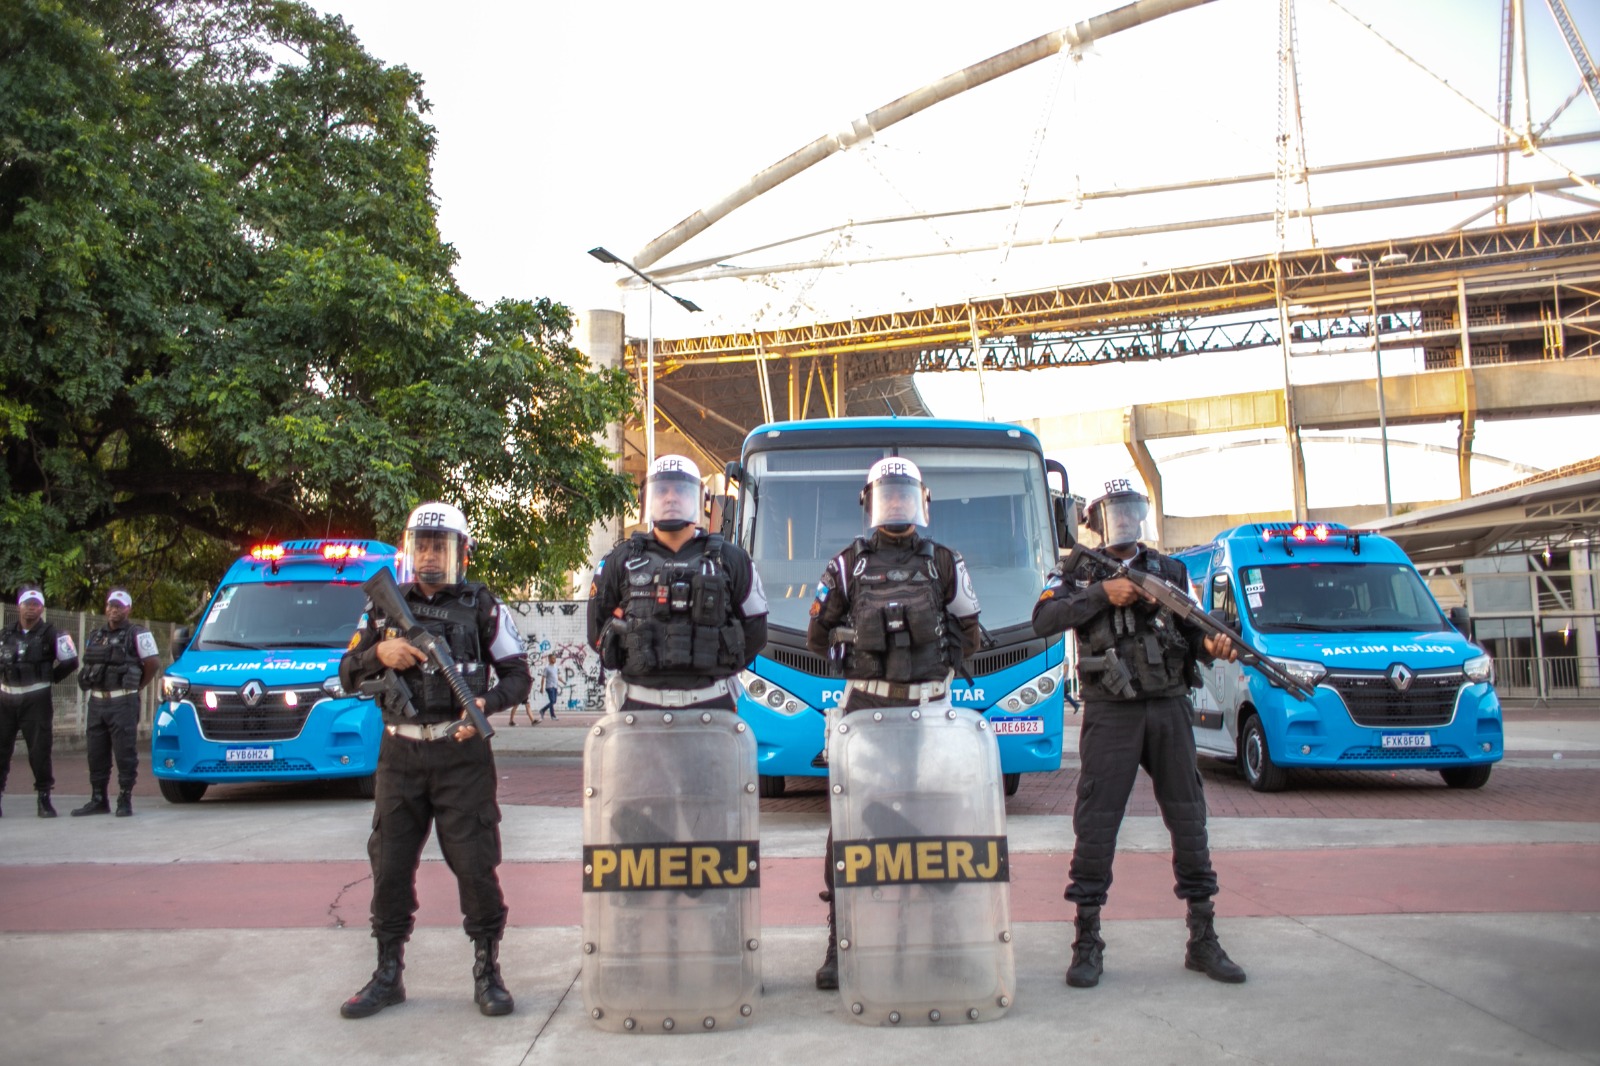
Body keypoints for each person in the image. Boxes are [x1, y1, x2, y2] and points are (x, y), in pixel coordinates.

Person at [1031, 480, 1246, 988]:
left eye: (1133, 511)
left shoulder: (1169, 572)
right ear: (1097, 520)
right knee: (1097, 824)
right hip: (1111, 711)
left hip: (1169, 706)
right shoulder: (1076, 570)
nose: (1125, 522)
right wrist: (1102, 593)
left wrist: (1216, 645)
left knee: (1189, 819)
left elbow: (1195, 633)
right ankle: (1087, 940)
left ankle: (1203, 936)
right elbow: (1044, 617)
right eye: (1116, 513)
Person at [337, 502, 531, 1020]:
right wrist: (379, 655)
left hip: (461, 754)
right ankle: (387, 975)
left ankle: (487, 971)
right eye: (421, 545)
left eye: (439, 546)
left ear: (461, 553)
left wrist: (485, 705)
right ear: (409, 549)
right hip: (399, 753)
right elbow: (346, 673)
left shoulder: (482, 606)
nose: (428, 555)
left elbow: (517, 675)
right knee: (391, 867)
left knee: (475, 867)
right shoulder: (383, 609)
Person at [804, 456, 983, 990]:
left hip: (929, 710)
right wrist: (858, 644)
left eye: (906, 494)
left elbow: (970, 628)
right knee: (852, 826)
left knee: (939, 826)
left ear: (921, 501)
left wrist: (939, 670)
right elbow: (817, 635)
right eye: (889, 494)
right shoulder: (846, 565)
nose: (898, 503)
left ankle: (945, 941)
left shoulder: (944, 562)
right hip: (866, 710)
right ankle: (841, 944)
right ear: (871, 502)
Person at [587, 455, 768, 715]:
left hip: (712, 706)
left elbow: (756, 632)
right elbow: (596, 632)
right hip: (637, 709)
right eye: (661, 490)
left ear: (700, 499)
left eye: (681, 490)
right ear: (646, 499)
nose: (670, 498)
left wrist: (714, 665)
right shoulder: (620, 560)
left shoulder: (732, 559)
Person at [72, 588, 159, 818]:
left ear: (128, 609)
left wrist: (137, 685)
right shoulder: (95, 634)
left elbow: (152, 663)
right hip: (98, 701)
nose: (113, 610)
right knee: (96, 753)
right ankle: (98, 798)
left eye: (119, 606)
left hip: (123, 701)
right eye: (111, 605)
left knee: (124, 752)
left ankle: (124, 797)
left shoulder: (137, 633)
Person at [1, 586, 79, 817]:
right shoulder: (6, 634)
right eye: (27, 604)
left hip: (36, 700)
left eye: (36, 604)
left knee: (39, 751)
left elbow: (71, 662)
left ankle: (44, 798)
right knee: (1, 750)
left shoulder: (54, 634)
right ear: (19, 606)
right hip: (6, 698)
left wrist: (50, 678)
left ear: (42, 608)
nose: (31, 608)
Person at [538, 654, 560, 720]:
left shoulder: (556, 667)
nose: (554, 660)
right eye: (553, 658)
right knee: (552, 701)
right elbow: (543, 678)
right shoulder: (547, 668)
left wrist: (563, 681)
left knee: (554, 701)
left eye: (555, 658)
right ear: (549, 659)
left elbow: (557, 676)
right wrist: (541, 687)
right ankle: (553, 716)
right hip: (549, 687)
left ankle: (542, 710)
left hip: (555, 686)